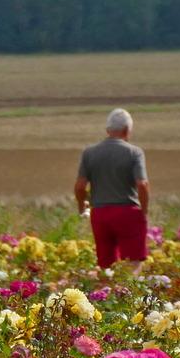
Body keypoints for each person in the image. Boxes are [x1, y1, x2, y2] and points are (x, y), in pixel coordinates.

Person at [75, 108, 151, 270]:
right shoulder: (134, 153)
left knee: (106, 266)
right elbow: (142, 184)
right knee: (132, 265)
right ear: (127, 130)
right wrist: (143, 211)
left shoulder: (89, 153)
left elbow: (80, 186)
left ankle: (106, 294)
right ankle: (128, 294)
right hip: (127, 212)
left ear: (108, 130)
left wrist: (83, 206)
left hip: (100, 214)